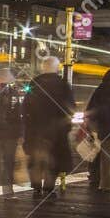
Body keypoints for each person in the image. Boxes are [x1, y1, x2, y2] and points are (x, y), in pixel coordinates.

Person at [23, 57, 75, 198]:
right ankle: (49, 187)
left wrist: (29, 124)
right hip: (56, 131)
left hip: (36, 130)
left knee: (36, 158)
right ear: (56, 67)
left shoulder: (35, 83)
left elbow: (26, 106)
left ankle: (36, 186)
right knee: (53, 159)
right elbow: (69, 108)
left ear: (43, 67)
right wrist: (65, 126)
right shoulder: (63, 84)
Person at [0, 69, 24, 199]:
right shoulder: (13, 93)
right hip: (9, 134)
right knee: (8, 163)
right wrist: (19, 133)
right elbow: (18, 114)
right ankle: (7, 192)